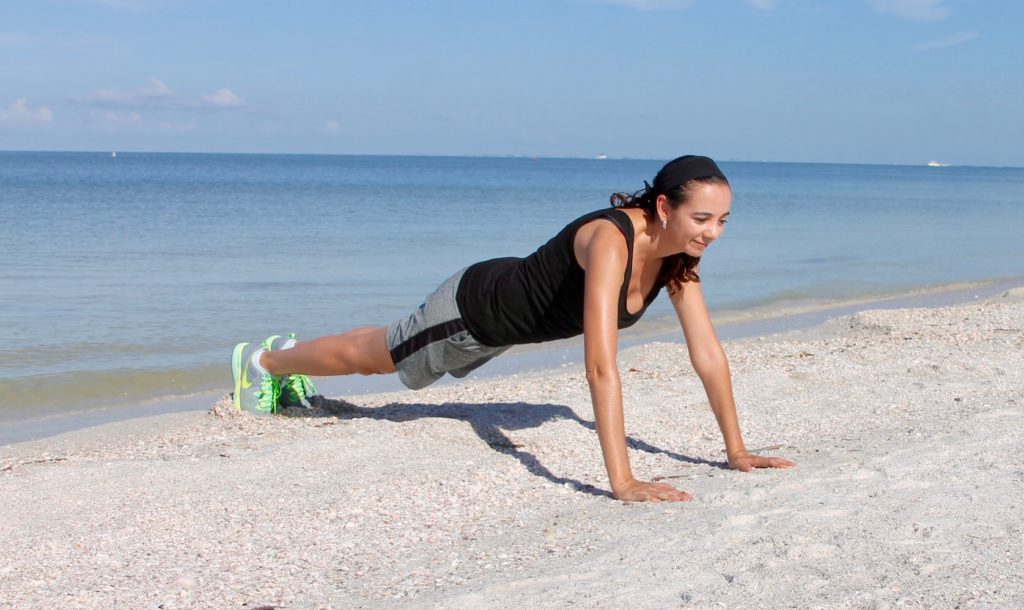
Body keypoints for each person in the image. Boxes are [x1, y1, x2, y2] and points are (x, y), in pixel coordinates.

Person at [231, 155, 796, 502]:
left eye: (723, 221)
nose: (713, 233)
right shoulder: (611, 240)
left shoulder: (678, 255)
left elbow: (707, 353)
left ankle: (286, 354)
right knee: (378, 357)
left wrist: (737, 451)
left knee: (384, 345)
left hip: (505, 325)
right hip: (475, 310)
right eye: (702, 218)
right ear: (665, 206)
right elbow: (601, 366)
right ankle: (264, 362)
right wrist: (622, 482)